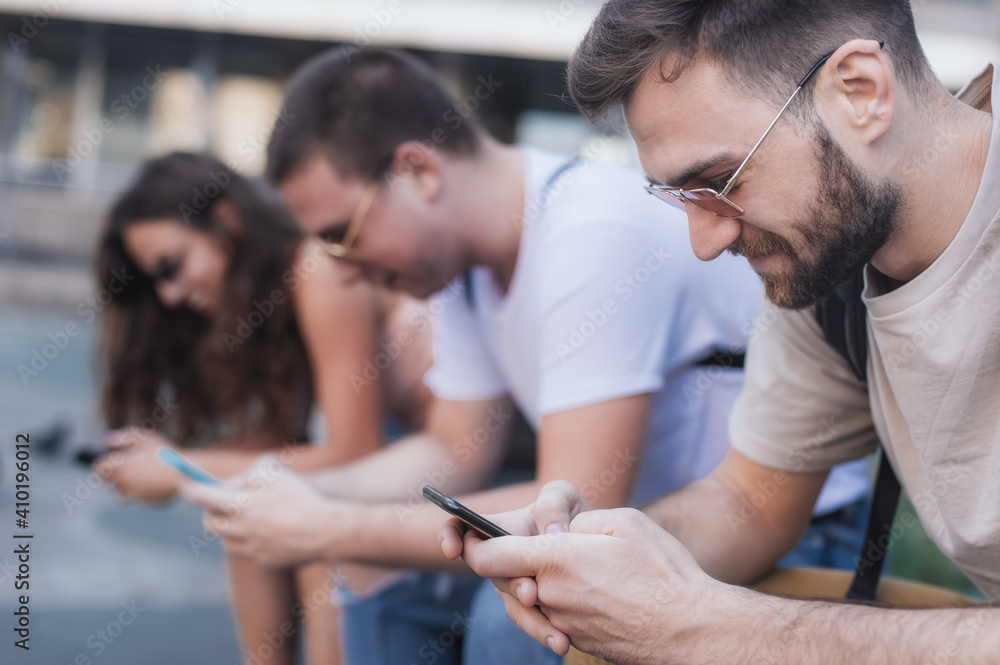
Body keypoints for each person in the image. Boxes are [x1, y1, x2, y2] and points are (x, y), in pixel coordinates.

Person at [181, 47, 871, 665]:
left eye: (340, 234)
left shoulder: (590, 232)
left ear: (416, 170)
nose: (341, 269)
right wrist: (293, 490)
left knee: (512, 618)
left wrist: (327, 524)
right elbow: (451, 451)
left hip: (788, 534)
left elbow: (578, 501)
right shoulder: (464, 268)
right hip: (648, 523)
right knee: (379, 579)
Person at [444, 0, 1000, 662]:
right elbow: (750, 503)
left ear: (860, 93)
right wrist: (587, 546)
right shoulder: (832, 273)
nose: (704, 242)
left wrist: (706, 627)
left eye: (719, 181)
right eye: (681, 197)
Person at [94, 152, 434, 665]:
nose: (168, 296)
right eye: (155, 281)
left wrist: (178, 467)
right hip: (413, 467)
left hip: (472, 471)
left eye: (172, 266)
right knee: (253, 505)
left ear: (226, 221)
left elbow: (354, 453)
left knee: (310, 528)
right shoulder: (274, 299)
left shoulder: (318, 268)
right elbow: (284, 449)